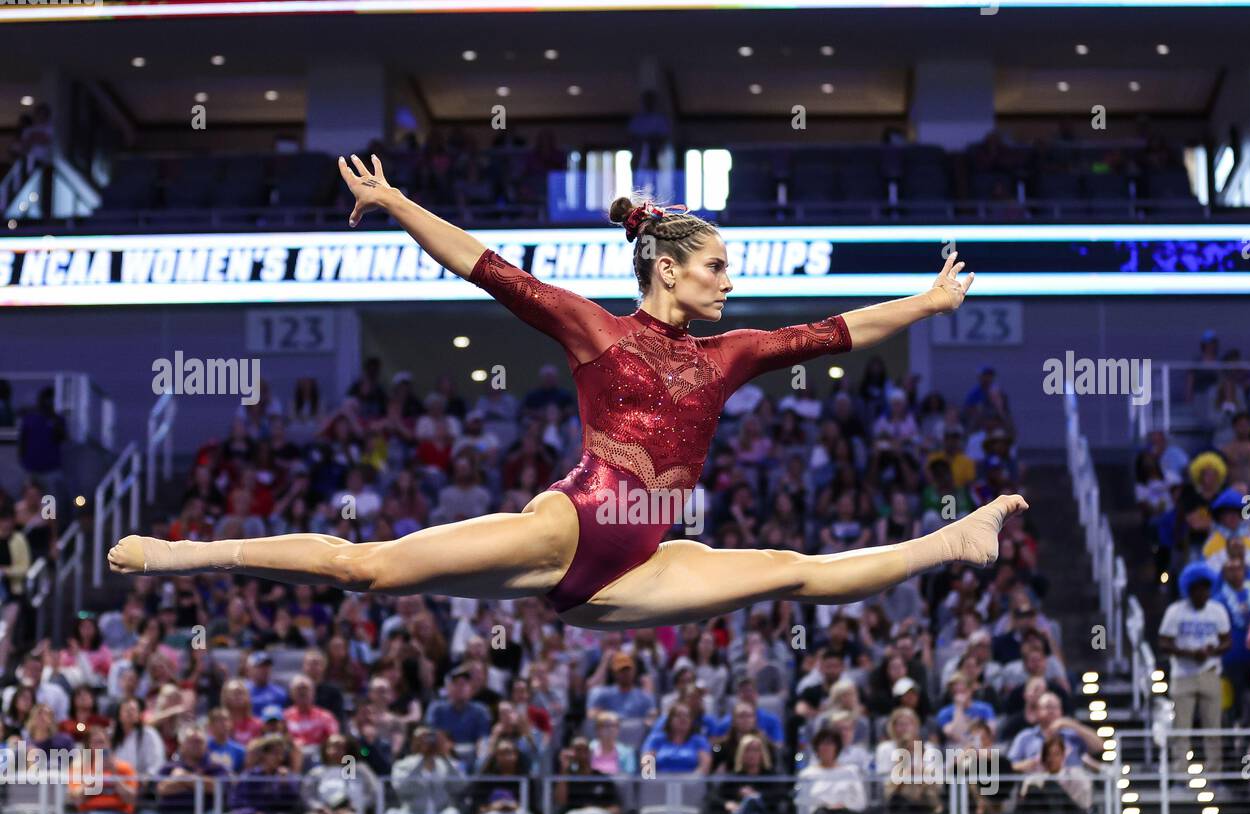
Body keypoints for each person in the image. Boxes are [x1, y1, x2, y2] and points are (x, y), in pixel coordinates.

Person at [110, 167, 1028, 634]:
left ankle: (955, 537)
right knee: (369, 571)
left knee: (800, 573)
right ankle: (189, 555)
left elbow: (833, 333)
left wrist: (931, 301)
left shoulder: (733, 352)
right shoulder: (599, 331)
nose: (728, 283)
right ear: (666, 269)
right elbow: (489, 270)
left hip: (641, 564)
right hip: (573, 529)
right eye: (716, 267)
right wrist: (396, 202)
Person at [1157, 562, 1231, 771]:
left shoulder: (1217, 611)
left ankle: (1214, 774)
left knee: (1213, 727)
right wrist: (1189, 653)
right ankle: (1180, 772)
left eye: (1206, 589)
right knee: (1182, 727)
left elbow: (1227, 641)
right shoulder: (1176, 611)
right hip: (1183, 673)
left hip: (1210, 672)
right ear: (1189, 590)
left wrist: (1212, 651)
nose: (1203, 594)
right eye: (1198, 589)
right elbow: (1163, 642)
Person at [384, 726, 466, 814]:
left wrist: (443, 756)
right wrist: (422, 760)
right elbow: (401, 788)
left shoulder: (447, 764)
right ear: (413, 742)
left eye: (429, 738)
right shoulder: (402, 765)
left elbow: (460, 786)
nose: (427, 742)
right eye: (421, 739)